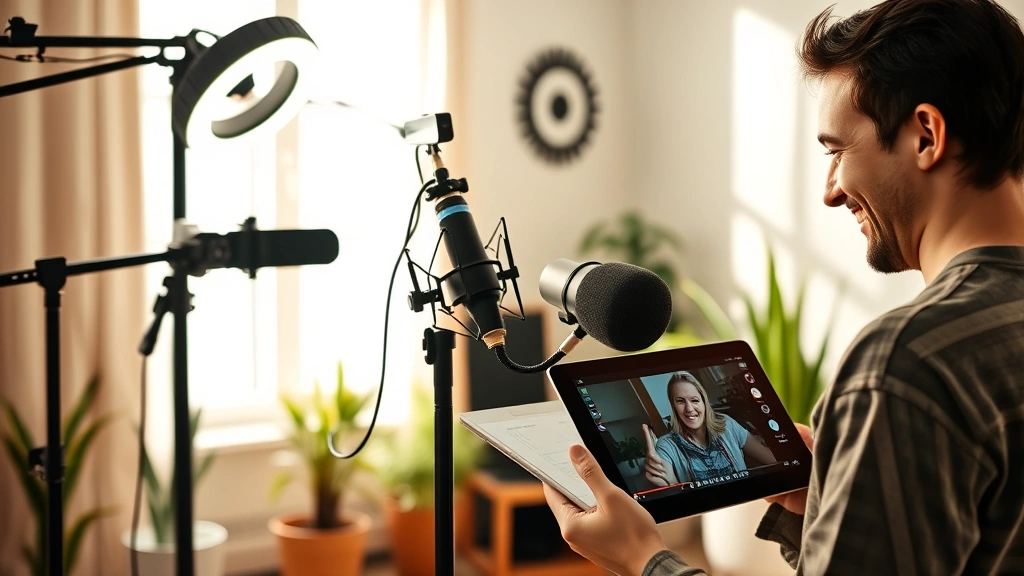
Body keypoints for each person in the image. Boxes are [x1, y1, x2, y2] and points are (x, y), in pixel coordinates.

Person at [542, 0, 1024, 574]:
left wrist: (645, 558)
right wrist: (831, 496)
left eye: (837, 150)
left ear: (925, 134)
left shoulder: (905, 362)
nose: (829, 190)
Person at [642, 371, 775, 487]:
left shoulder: (727, 424)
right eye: (680, 401)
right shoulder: (666, 446)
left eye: (694, 400)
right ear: (673, 406)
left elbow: (770, 458)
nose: (689, 409)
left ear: (703, 401)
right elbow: (678, 499)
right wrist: (671, 483)